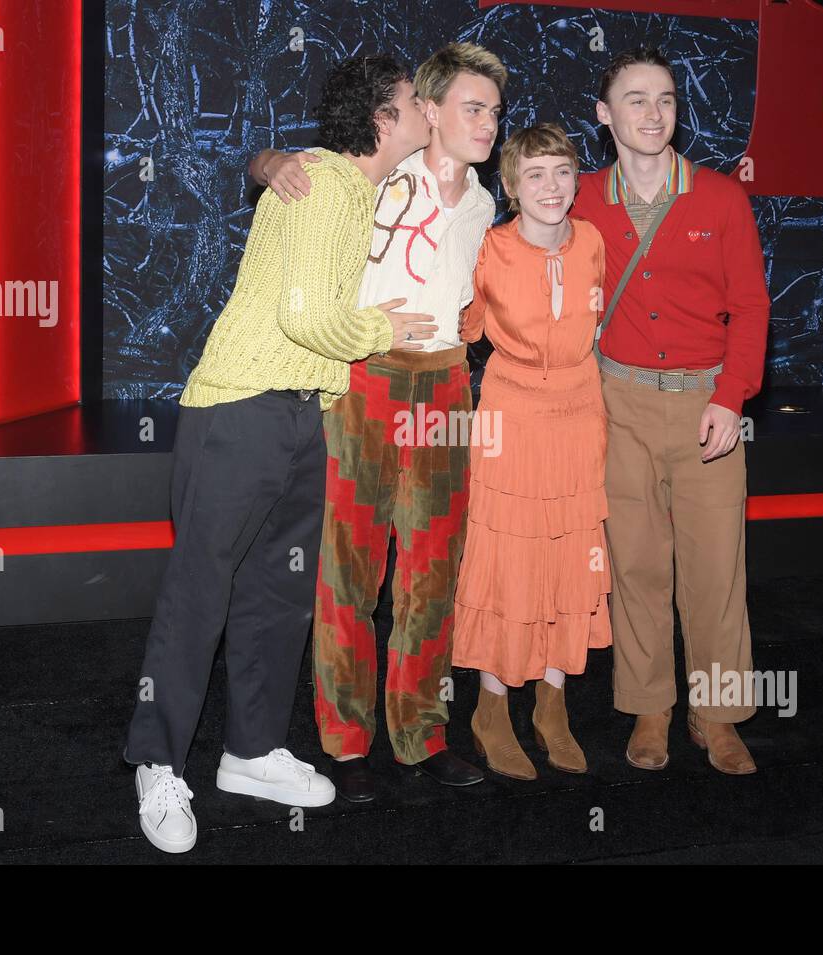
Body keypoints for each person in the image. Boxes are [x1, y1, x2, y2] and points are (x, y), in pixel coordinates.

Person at [123, 54, 435, 854]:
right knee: (201, 591)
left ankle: (251, 752)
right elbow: (305, 317)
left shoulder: (356, 188)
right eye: (414, 102)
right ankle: (158, 762)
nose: (427, 111)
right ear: (382, 119)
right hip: (241, 408)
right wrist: (380, 332)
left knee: (274, 595)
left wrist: (261, 162)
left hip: (299, 415)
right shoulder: (329, 183)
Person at [250, 44, 507, 801]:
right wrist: (266, 162)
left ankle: (422, 735)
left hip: (448, 387)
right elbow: (276, 164)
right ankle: (346, 741)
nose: (487, 123)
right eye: (472, 107)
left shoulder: (488, 205)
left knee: (433, 572)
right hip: (365, 382)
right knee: (349, 572)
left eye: (494, 111)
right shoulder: (374, 171)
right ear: (427, 110)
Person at [570, 48, 771, 775]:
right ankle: (649, 706)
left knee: (716, 568)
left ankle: (715, 715)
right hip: (617, 404)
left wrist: (731, 396)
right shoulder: (582, 197)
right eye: (634, 99)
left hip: (706, 406)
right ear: (605, 115)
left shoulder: (720, 198)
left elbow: (751, 306)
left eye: (664, 99)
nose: (652, 114)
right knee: (637, 565)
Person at [453, 123, 612, 780]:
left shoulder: (594, 242)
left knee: (567, 556)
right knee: (508, 558)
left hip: (578, 415)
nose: (551, 186)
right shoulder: (489, 248)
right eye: (535, 174)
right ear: (512, 186)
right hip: (511, 416)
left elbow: (594, 324)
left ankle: (552, 702)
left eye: (562, 171)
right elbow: (461, 327)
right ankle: (492, 709)